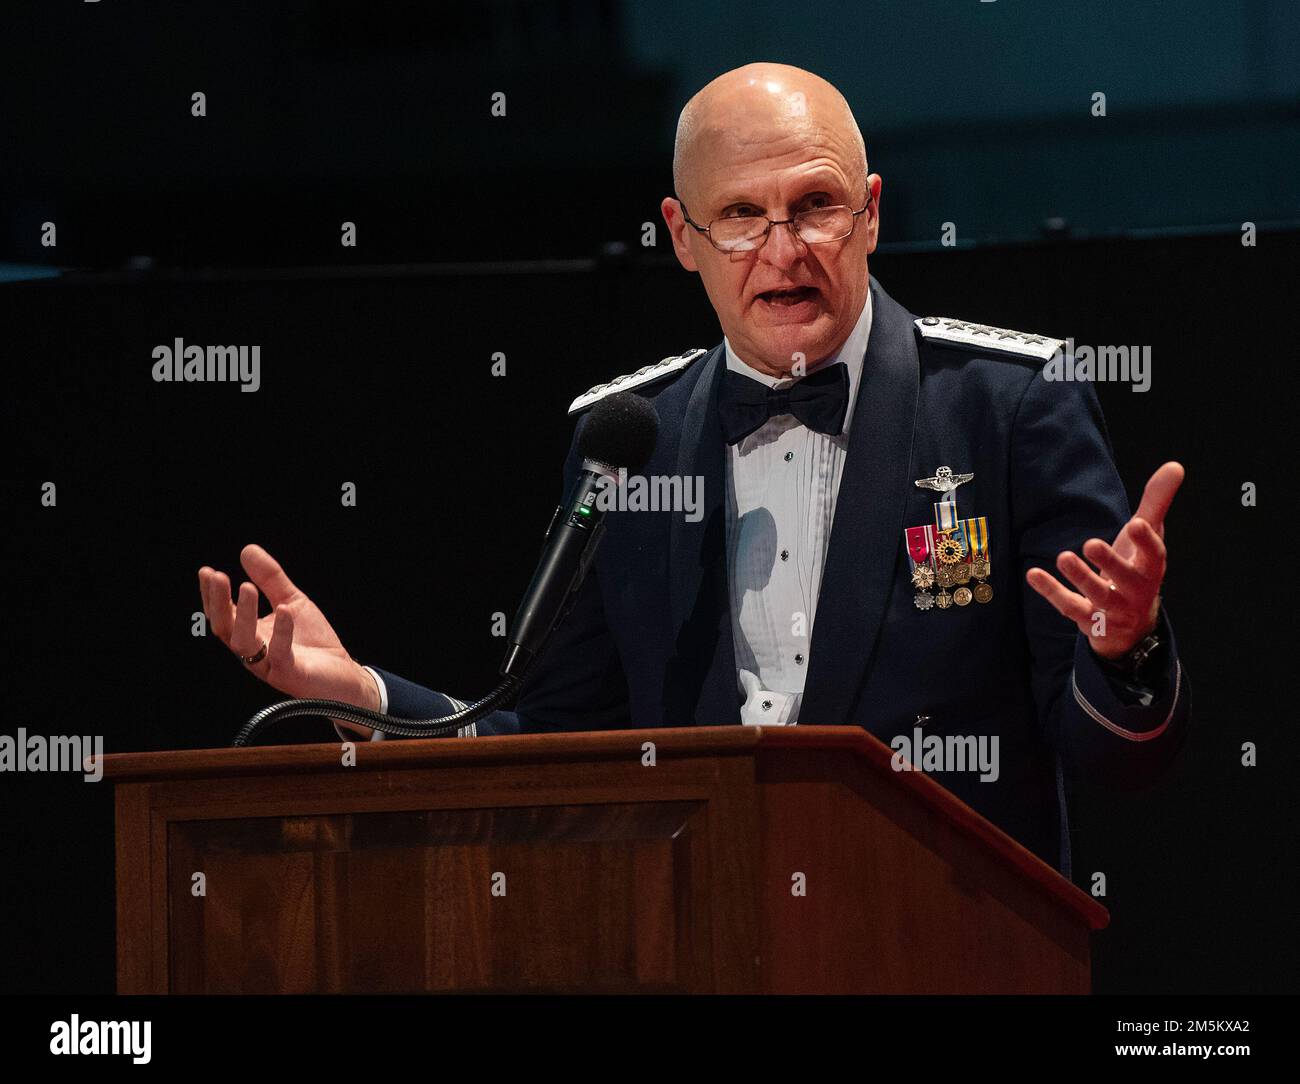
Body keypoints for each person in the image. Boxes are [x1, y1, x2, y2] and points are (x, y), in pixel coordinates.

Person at [198, 63, 1189, 874]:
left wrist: (1123, 652)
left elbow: (1116, 759)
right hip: (701, 939)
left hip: (943, 945)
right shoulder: (627, 437)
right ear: (683, 237)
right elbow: (557, 738)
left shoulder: (1009, 402)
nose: (783, 249)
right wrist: (359, 692)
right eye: (742, 215)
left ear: (873, 212)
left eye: (815, 205)